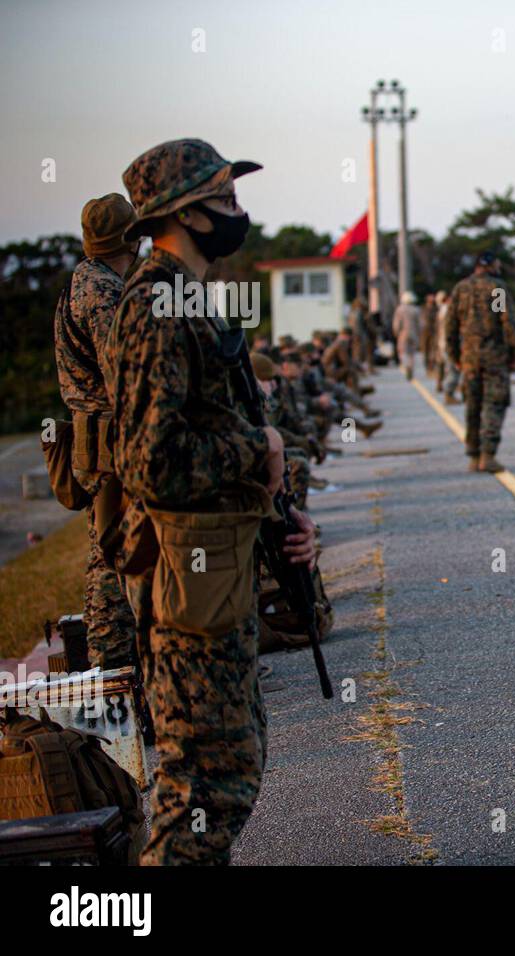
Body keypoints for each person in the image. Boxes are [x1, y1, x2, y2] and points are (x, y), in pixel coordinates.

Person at [103, 138, 317, 865]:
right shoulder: (156, 306)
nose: (237, 212)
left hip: (216, 573)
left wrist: (276, 508)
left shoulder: (189, 299)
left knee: (225, 775)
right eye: (222, 199)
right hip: (185, 586)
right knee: (204, 787)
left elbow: (209, 431)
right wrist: (257, 452)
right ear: (180, 213)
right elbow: (148, 463)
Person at [52, 193, 140, 669]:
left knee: (114, 548)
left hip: (98, 440)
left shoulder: (83, 282)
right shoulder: (102, 291)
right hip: (108, 444)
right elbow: (122, 371)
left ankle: (119, 665)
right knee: (111, 555)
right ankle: (112, 668)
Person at [446, 251, 515, 472]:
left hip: (469, 358)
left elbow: (450, 326)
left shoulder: (461, 288)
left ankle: (473, 454)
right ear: (489, 265)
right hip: (494, 357)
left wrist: (455, 356)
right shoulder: (496, 288)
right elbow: (507, 322)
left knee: (473, 405)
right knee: (494, 404)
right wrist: (514, 353)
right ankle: (487, 454)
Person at [392, 290, 421, 381]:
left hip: (403, 334)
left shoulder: (400, 309)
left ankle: (406, 366)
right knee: (412, 354)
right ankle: (411, 367)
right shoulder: (416, 310)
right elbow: (420, 324)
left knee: (403, 352)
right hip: (414, 334)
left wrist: (396, 333)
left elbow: (396, 324)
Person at [419, 293, 438, 376]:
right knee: (425, 351)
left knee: (433, 351)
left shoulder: (436, 309)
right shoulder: (423, 308)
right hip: (425, 332)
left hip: (434, 332)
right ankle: (427, 368)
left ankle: (432, 368)